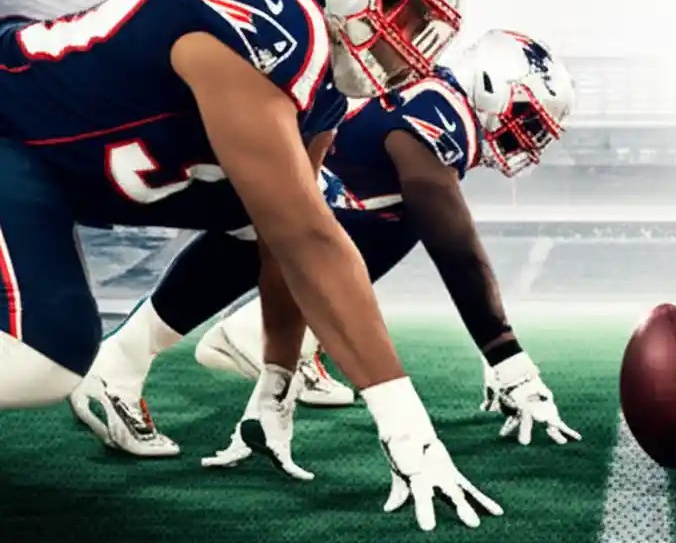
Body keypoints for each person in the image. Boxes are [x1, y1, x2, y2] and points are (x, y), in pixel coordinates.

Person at [0, 0, 508, 532]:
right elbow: (308, 241)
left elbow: (281, 241)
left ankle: (120, 370)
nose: (408, 41)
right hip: (14, 134)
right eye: (405, 10)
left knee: (270, 210)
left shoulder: (322, 94)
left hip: (60, 172)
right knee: (45, 356)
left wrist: (275, 384)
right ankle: (107, 365)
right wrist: (407, 427)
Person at [70, 28, 580, 459]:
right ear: (489, 86)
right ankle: (125, 363)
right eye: (525, 117)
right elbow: (457, 252)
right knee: (312, 215)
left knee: (343, 212)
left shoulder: (431, 94)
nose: (525, 138)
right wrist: (507, 359)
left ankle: (286, 338)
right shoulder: (441, 115)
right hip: (206, 159)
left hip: (275, 168)